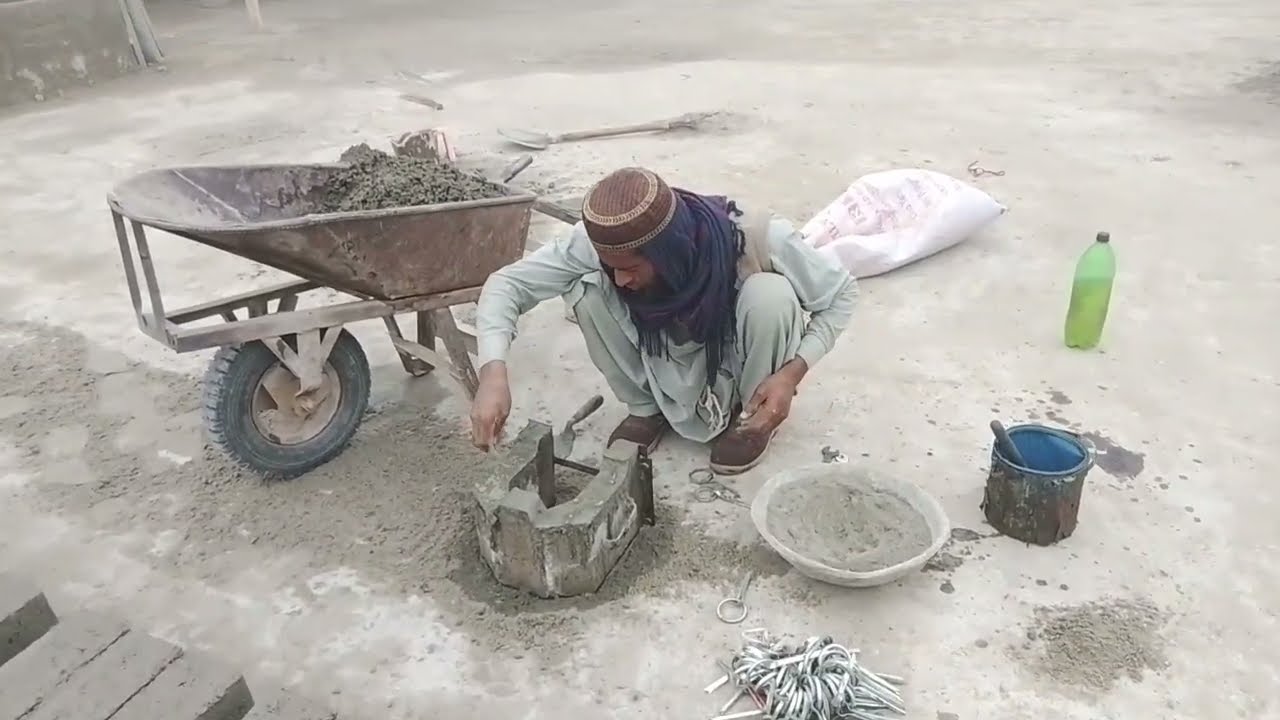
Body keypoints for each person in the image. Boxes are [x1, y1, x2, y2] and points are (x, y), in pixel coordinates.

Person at [469, 167, 857, 474]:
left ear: (669, 249)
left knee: (770, 296)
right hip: (660, 350)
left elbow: (841, 295)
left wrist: (791, 374)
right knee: (585, 289)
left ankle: (752, 418)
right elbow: (508, 284)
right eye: (612, 266)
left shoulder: (755, 235)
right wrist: (493, 374)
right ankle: (646, 409)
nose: (619, 278)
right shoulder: (603, 246)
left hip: (733, 352)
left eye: (631, 267)